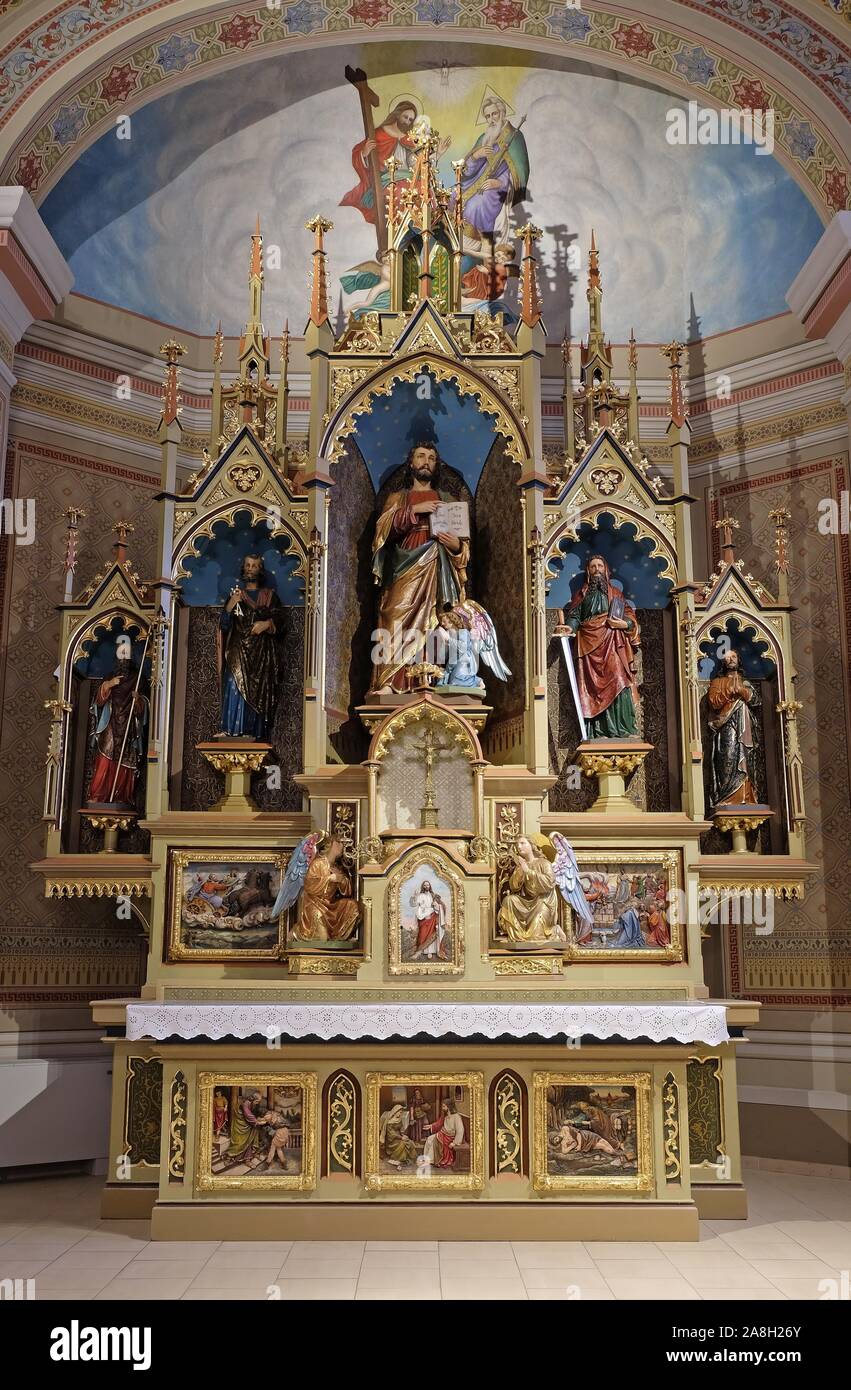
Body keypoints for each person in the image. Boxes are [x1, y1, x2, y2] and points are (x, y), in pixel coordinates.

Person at [370, 443, 468, 694]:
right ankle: (390, 682)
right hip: (403, 568)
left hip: (437, 566)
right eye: (421, 456)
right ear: (411, 462)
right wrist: (414, 510)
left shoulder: (447, 500)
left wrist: (456, 545)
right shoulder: (397, 498)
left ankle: (432, 683)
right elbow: (382, 533)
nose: (426, 461)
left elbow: (464, 552)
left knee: (436, 624)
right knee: (395, 617)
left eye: (432, 458)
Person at [562, 554, 641, 739]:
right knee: (593, 689)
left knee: (619, 680)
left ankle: (623, 728)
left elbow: (629, 616)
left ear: (606, 570)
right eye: (593, 566)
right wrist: (569, 628)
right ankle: (597, 731)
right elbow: (575, 617)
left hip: (612, 642)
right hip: (589, 646)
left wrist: (625, 624)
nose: (597, 569)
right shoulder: (581, 595)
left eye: (600, 566)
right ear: (588, 572)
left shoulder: (616, 594)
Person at [216, 554, 284, 740]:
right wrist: (230, 606)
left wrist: (267, 624)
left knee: (259, 690)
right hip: (238, 650)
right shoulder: (236, 596)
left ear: (260, 570)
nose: (250, 569)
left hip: (261, 654)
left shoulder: (269, 596)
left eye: (254, 565)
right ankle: (230, 730)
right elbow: (224, 626)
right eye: (247, 565)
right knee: (233, 684)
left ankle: (253, 733)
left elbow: (281, 620)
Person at [453, 96, 529, 245]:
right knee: (454, 196)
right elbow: (467, 172)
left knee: (475, 205)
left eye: (494, 113)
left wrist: (499, 182)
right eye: (487, 116)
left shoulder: (515, 137)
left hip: (500, 188)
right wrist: (476, 156)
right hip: (475, 182)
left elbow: (519, 171)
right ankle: (454, 242)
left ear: (502, 112)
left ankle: (472, 245)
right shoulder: (485, 137)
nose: (491, 119)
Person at [86, 633, 148, 806]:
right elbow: (98, 702)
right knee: (104, 759)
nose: (123, 657)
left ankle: (121, 797)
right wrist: (109, 685)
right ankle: (98, 795)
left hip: (128, 726)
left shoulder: (138, 678)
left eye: (126, 653)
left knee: (125, 763)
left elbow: (145, 706)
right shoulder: (109, 676)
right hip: (111, 723)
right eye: (121, 652)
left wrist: (138, 700)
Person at [706, 649, 760, 807]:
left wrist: (743, 691)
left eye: (733, 656)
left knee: (747, 760)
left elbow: (757, 701)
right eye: (727, 658)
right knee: (728, 758)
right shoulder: (717, 682)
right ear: (723, 662)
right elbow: (713, 702)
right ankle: (727, 797)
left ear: (739, 659)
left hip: (747, 728)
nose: (731, 659)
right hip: (727, 726)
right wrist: (729, 692)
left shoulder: (745, 682)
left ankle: (747, 798)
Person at [497, 834, 561, 944]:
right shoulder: (521, 866)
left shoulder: (544, 863)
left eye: (522, 843)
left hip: (543, 901)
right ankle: (516, 936)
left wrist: (528, 872)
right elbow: (514, 887)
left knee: (537, 937)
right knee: (509, 900)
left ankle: (554, 930)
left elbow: (549, 883)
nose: (519, 846)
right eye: (517, 844)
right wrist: (520, 872)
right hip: (527, 901)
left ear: (532, 845)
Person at [422, 1099, 466, 1169]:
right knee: (429, 1139)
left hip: (450, 1137)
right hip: (443, 1134)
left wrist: (454, 1143)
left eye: (444, 1106)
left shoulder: (456, 1117)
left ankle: (431, 1160)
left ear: (449, 1107)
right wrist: (431, 1126)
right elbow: (439, 1123)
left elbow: (460, 1131)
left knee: (436, 1140)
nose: (442, 1108)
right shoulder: (445, 1115)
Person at [410, 879, 448, 960]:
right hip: (423, 916)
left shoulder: (433, 895)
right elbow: (413, 904)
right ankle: (420, 951)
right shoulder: (420, 895)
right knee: (422, 933)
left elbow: (440, 904)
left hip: (432, 915)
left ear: (430, 886)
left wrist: (437, 906)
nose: (426, 886)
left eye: (427, 885)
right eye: (425, 885)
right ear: (423, 886)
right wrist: (415, 896)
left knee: (433, 933)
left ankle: (431, 951)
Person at [379, 1101, 418, 1168]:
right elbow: (391, 1135)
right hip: (392, 1141)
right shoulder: (389, 1122)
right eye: (399, 1112)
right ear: (395, 1112)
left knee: (409, 1141)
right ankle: (400, 1159)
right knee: (404, 1143)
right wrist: (401, 1137)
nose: (400, 1114)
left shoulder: (399, 1120)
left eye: (401, 1112)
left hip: (399, 1137)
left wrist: (403, 1135)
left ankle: (409, 1158)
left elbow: (401, 1129)